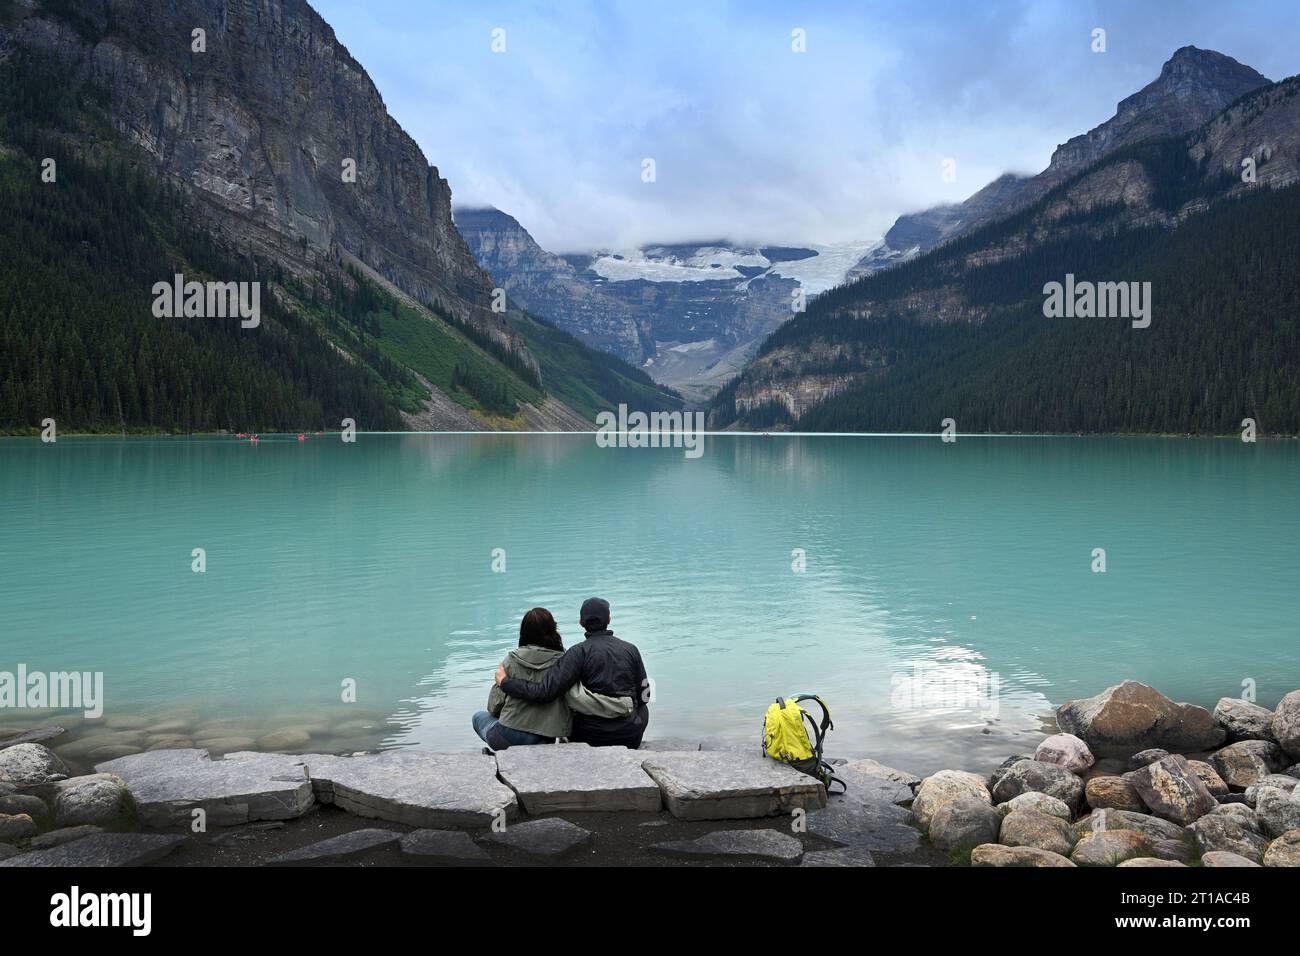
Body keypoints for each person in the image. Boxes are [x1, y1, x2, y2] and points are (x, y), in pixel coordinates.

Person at [494, 597, 650, 748]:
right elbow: (645, 695)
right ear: (609, 620)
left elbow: (544, 693)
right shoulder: (631, 650)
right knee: (643, 709)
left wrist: (506, 682)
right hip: (629, 737)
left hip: (589, 738)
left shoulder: (576, 653)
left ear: (581, 622)